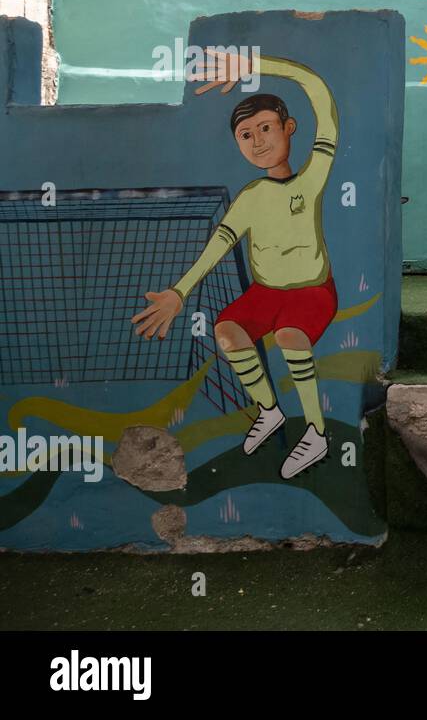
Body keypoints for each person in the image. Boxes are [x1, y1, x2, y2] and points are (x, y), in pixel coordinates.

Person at [131, 48, 340, 479]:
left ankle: (316, 433)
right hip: (266, 294)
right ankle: (269, 410)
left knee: (289, 337)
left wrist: (257, 66)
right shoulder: (250, 198)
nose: (258, 140)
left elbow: (318, 90)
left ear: (289, 128)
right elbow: (219, 244)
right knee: (227, 330)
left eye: (265, 128)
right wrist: (178, 292)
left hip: (311, 291)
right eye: (246, 135)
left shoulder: (314, 174)